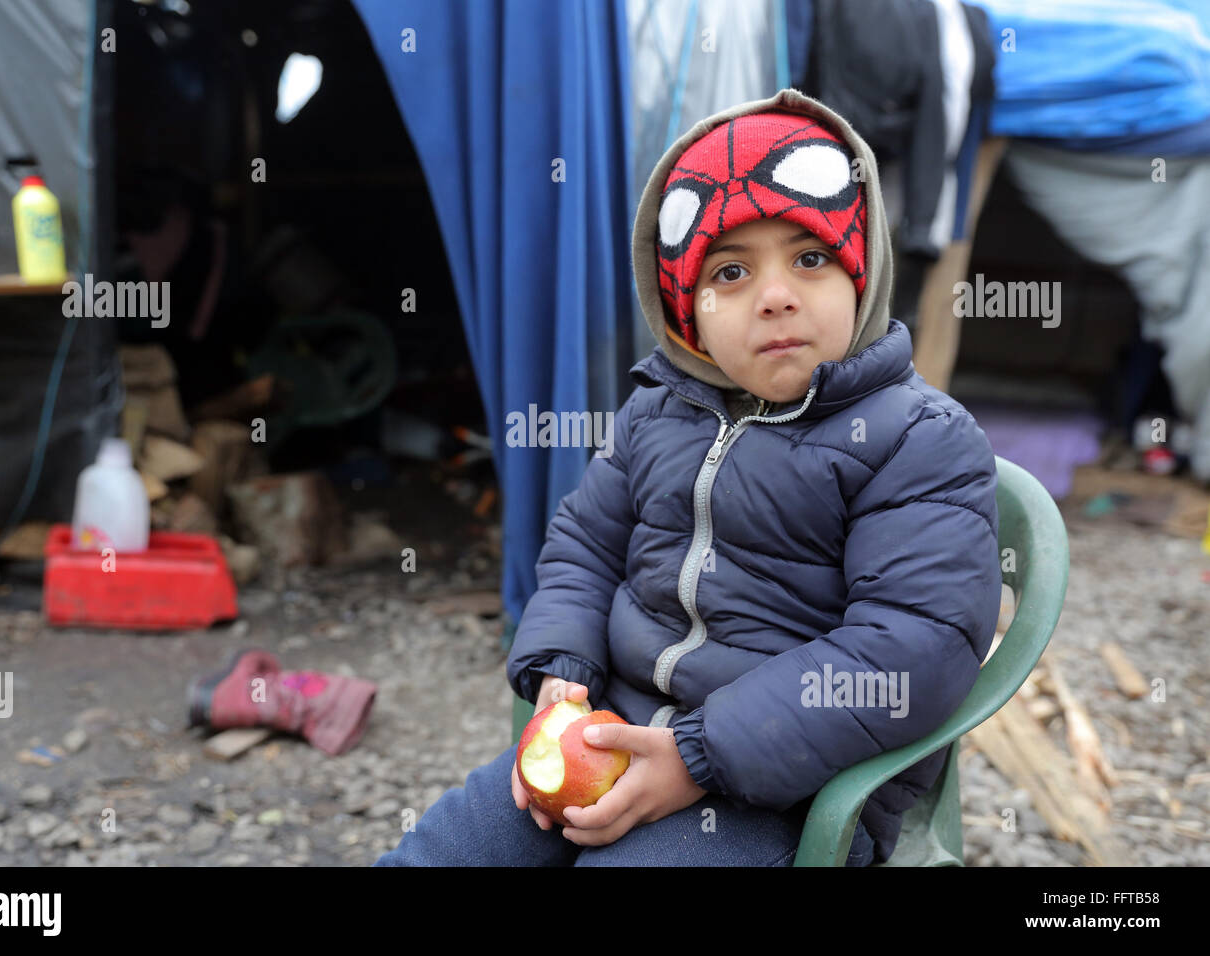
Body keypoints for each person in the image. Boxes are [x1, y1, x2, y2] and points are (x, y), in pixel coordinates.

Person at [374, 88, 1002, 867]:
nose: (775, 297)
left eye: (809, 258)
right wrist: (564, 667)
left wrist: (699, 757)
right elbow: (582, 548)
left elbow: (910, 650)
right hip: (617, 727)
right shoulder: (654, 415)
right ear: (685, 313)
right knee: (445, 851)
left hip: (786, 790)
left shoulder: (918, 440)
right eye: (731, 272)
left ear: (862, 274)